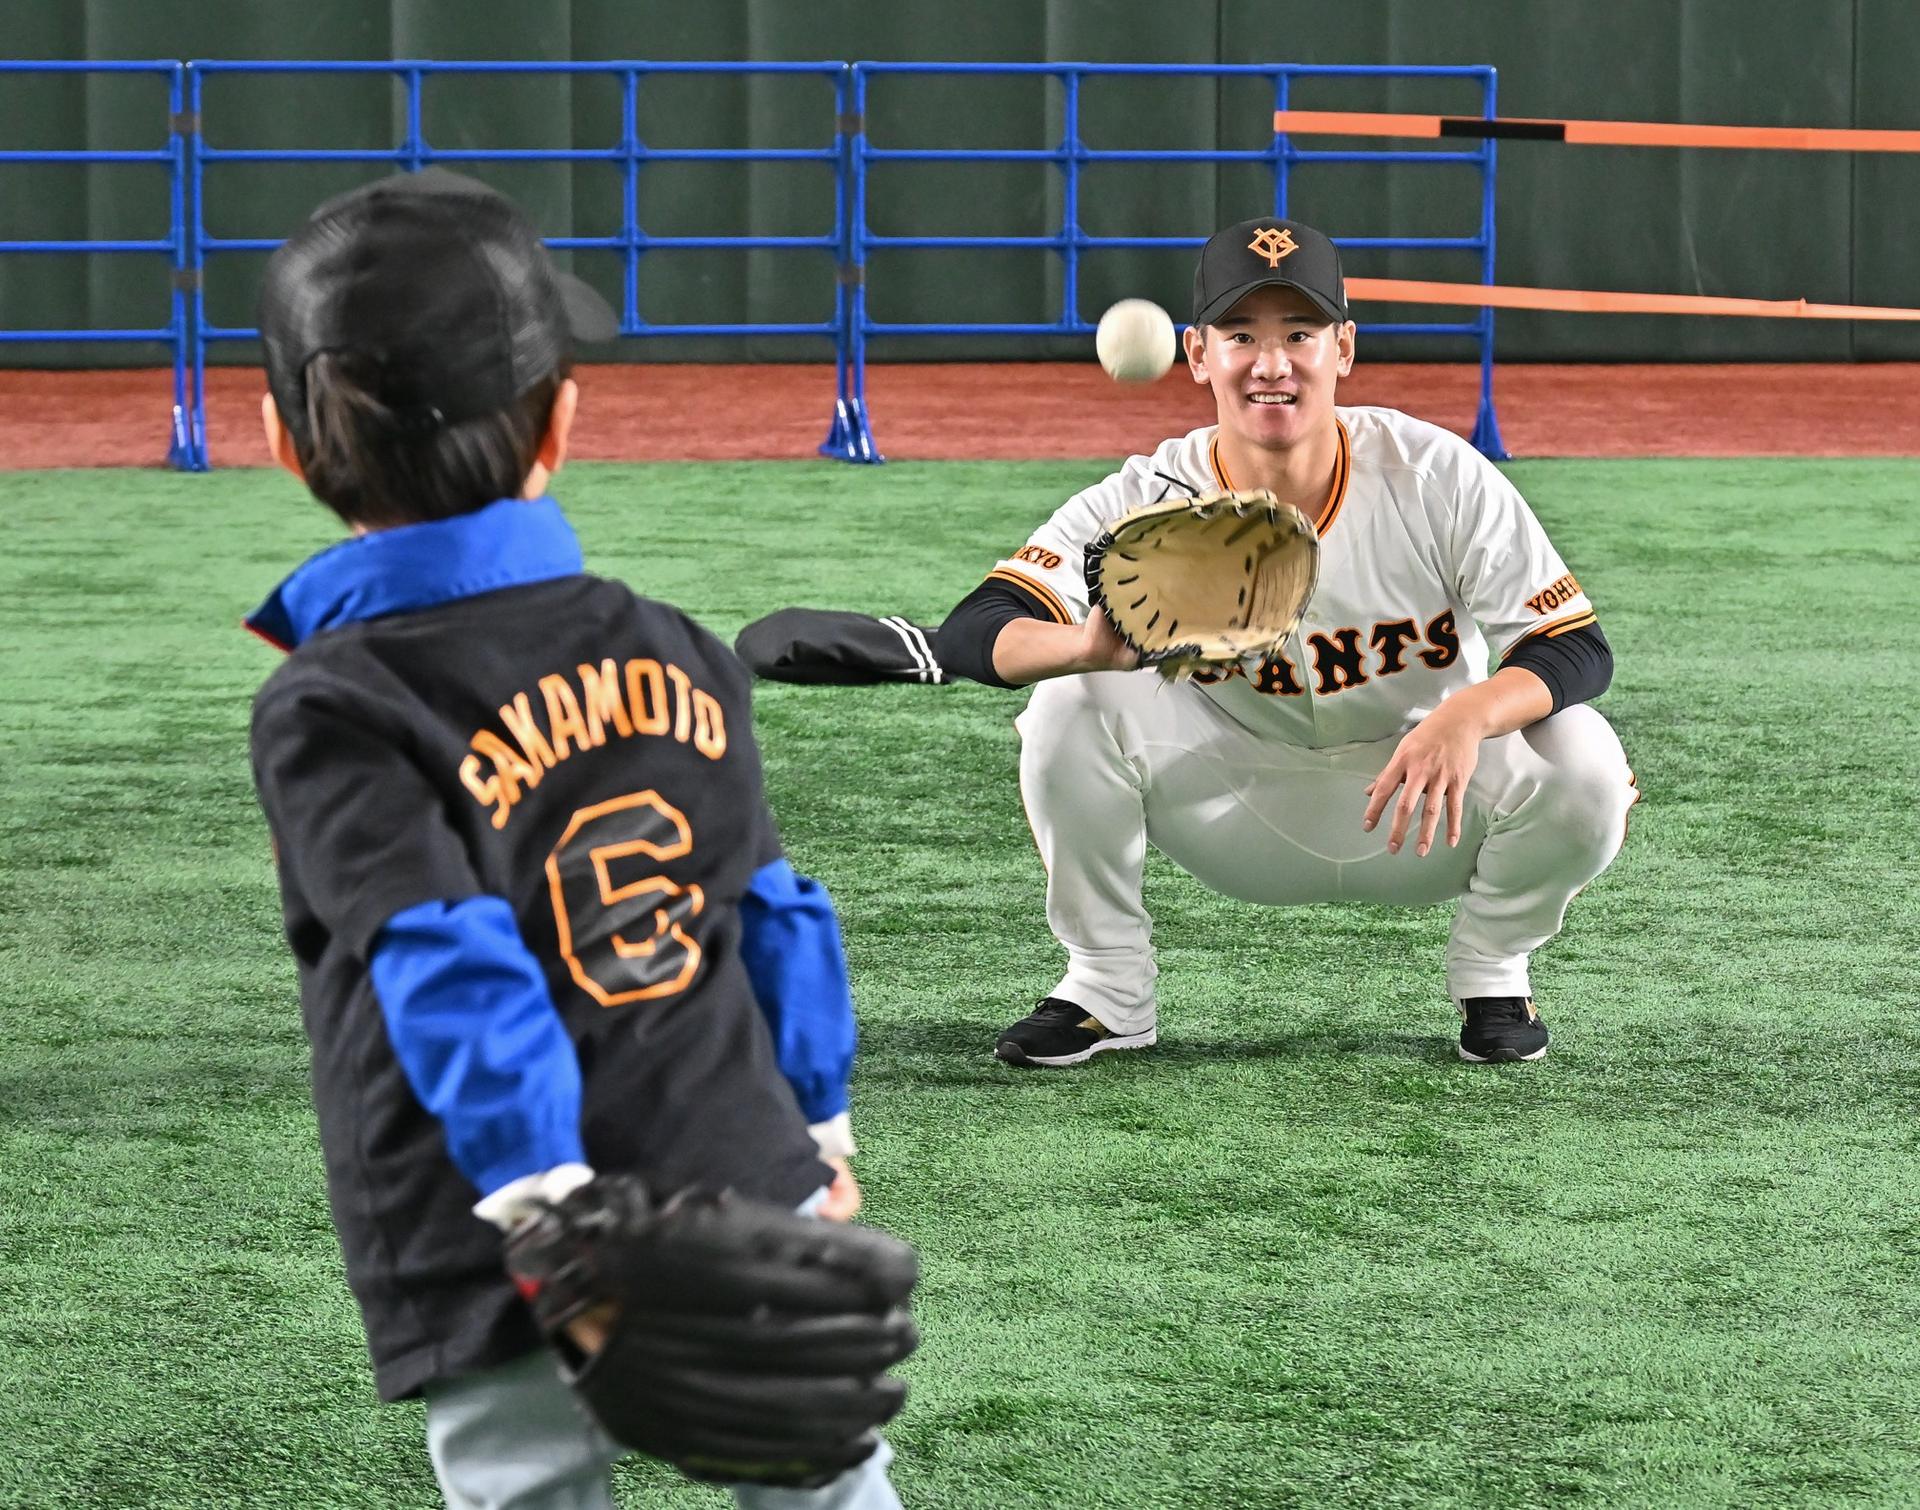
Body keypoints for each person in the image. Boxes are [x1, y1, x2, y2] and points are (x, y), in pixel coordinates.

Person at [244, 169, 900, 1509]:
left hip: (490, 1221)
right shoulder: (680, 648)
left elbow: (448, 957)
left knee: (528, 1486)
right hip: (733, 1164)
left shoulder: (332, 702)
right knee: (824, 1476)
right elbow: (776, 910)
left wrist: (550, 1209)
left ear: (282, 442)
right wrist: (815, 1129)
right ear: (561, 423)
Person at [916, 216, 1638, 1067]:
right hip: (1234, 804)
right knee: (1068, 701)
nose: (1271, 364)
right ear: (1197, 355)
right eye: (1240, 336)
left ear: (1343, 349)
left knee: (1587, 757)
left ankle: (1493, 968)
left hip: (1422, 806)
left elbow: (1574, 647)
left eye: (1299, 333)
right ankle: (1107, 987)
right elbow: (977, 629)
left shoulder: (1433, 473)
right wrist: (1086, 648)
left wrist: (1469, 714)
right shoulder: (1152, 495)